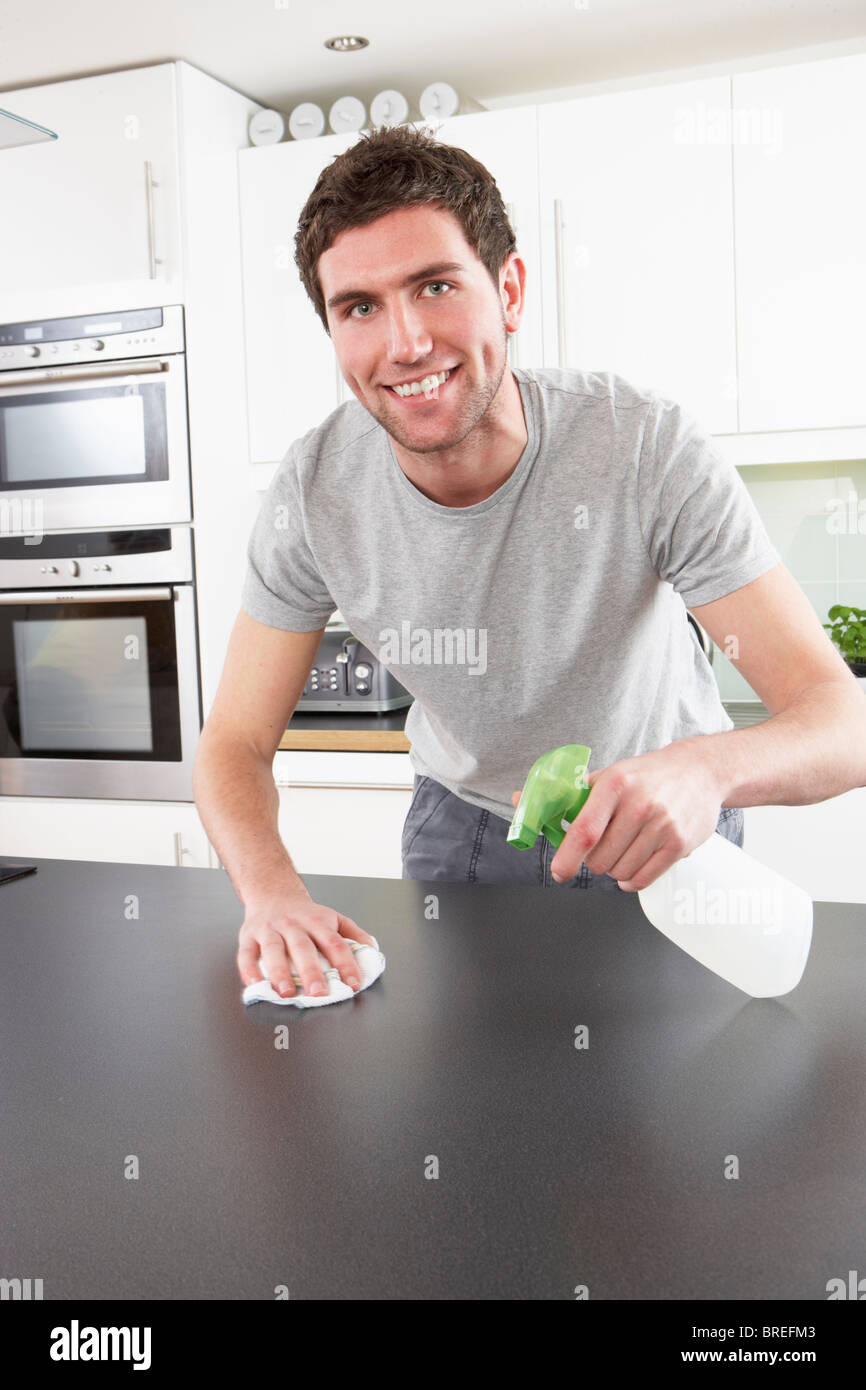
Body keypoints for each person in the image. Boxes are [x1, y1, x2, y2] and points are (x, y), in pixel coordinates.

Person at [193, 124, 866, 1002]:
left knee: (679, 1106)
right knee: (475, 1101)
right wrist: (272, 896)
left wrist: (706, 770)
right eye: (358, 306)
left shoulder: (642, 447)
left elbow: (840, 721)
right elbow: (233, 744)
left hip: (663, 827)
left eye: (434, 286)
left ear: (508, 289)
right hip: (461, 824)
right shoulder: (315, 491)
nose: (403, 343)